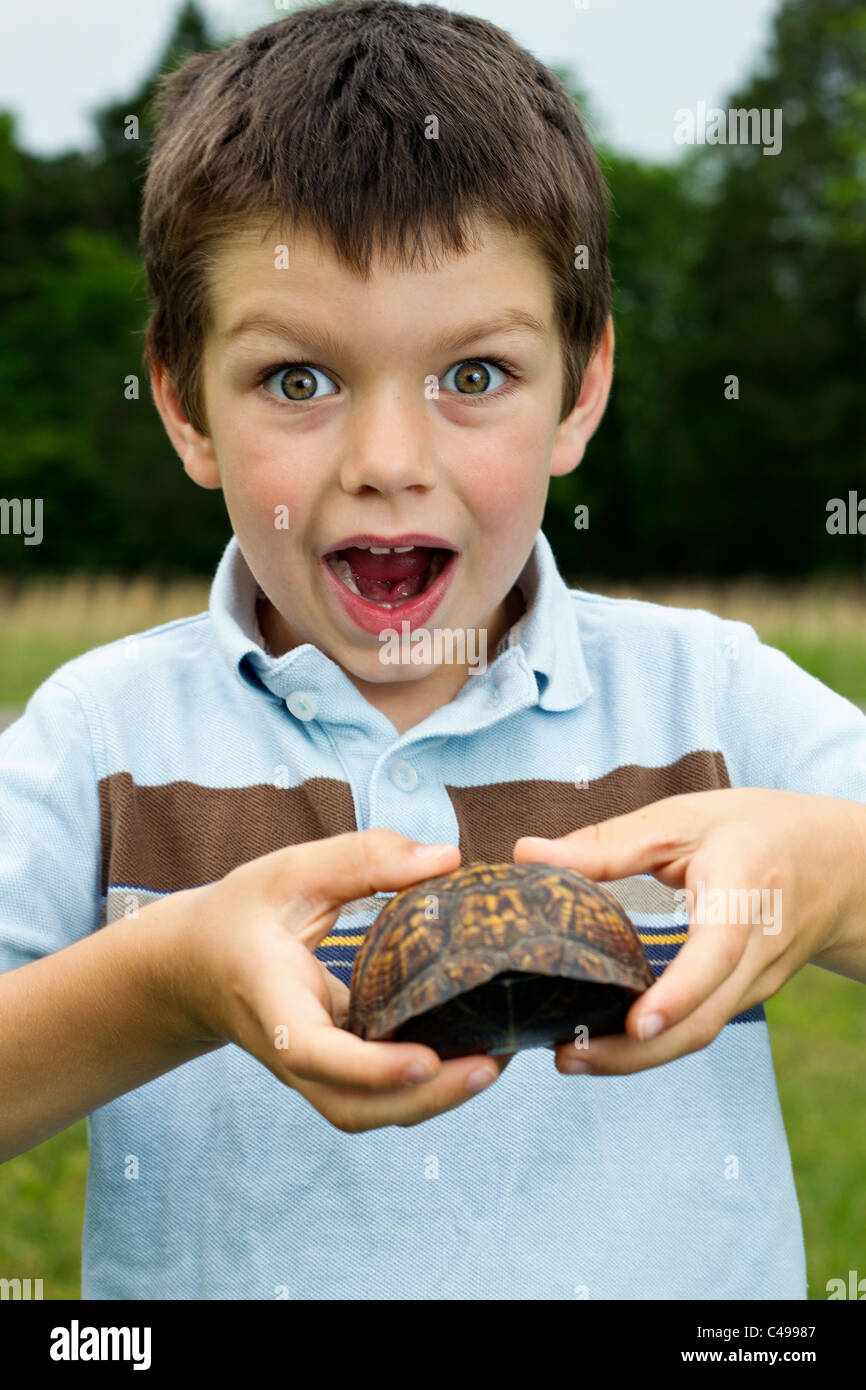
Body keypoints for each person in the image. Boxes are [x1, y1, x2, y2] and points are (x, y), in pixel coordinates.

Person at [2, 0, 865, 1300]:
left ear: (579, 388)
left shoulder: (712, 700)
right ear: (183, 403)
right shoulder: (99, 740)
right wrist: (170, 980)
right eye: (298, 379)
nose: (388, 464)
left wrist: (830, 876)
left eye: (473, 374)